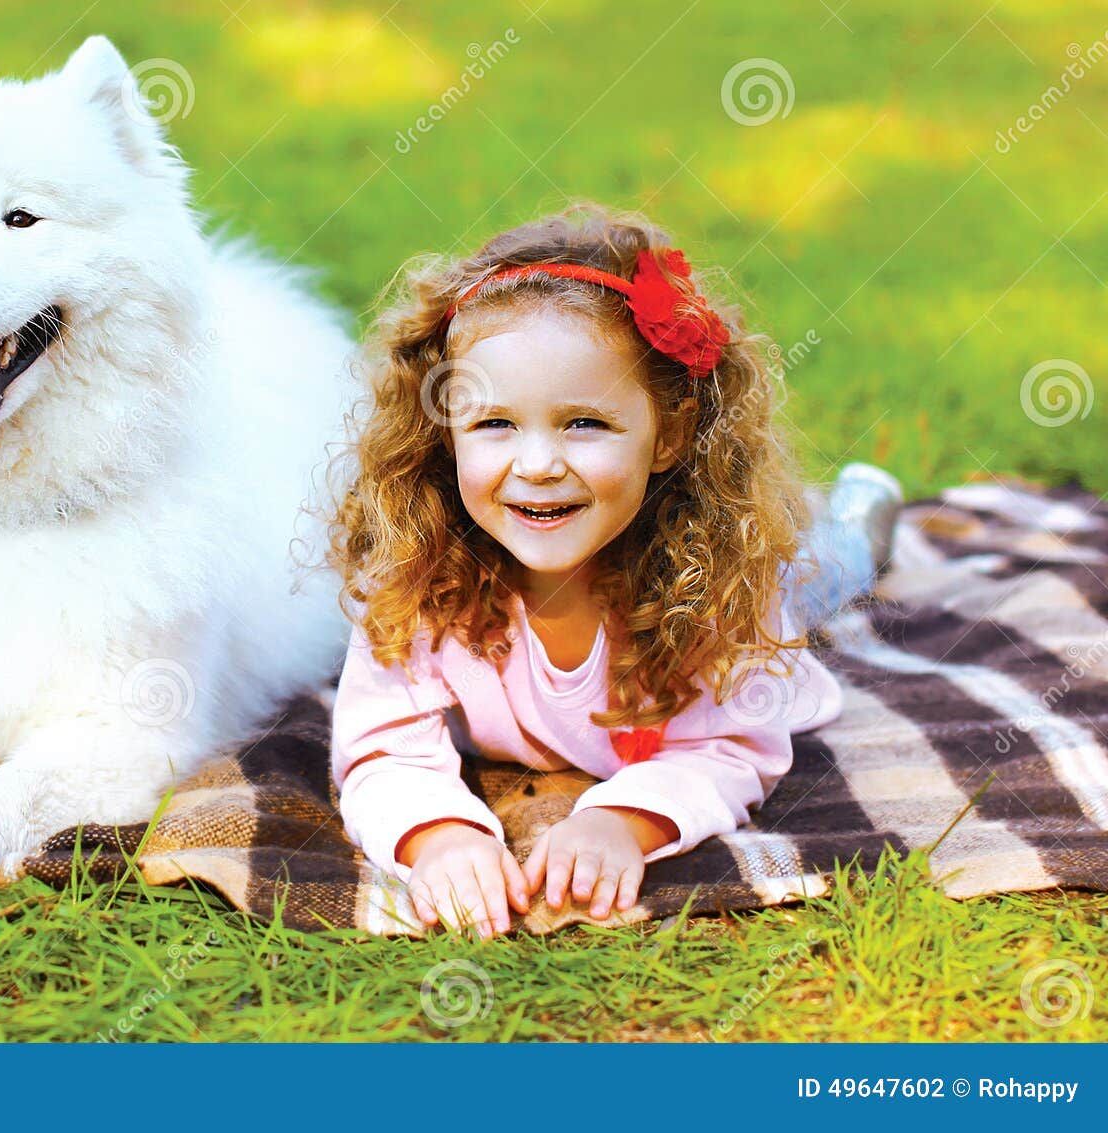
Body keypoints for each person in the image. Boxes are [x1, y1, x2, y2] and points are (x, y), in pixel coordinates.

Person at [322, 202, 903, 938]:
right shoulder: (418, 578)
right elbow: (382, 748)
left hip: (710, 568)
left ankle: (859, 522)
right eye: (494, 423)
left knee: (815, 574)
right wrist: (440, 838)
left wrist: (621, 823)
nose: (538, 465)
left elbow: (728, 746)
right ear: (445, 434)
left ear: (669, 434)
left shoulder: (720, 581)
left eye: (584, 423)